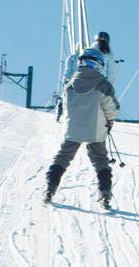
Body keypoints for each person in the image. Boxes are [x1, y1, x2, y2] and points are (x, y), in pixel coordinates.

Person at [44, 48, 120, 208]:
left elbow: (65, 106)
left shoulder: (70, 85)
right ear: (98, 65)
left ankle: (50, 188)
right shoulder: (103, 84)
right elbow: (111, 107)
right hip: (95, 130)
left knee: (63, 157)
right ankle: (105, 194)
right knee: (100, 160)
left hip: (73, 130)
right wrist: (110, 122)